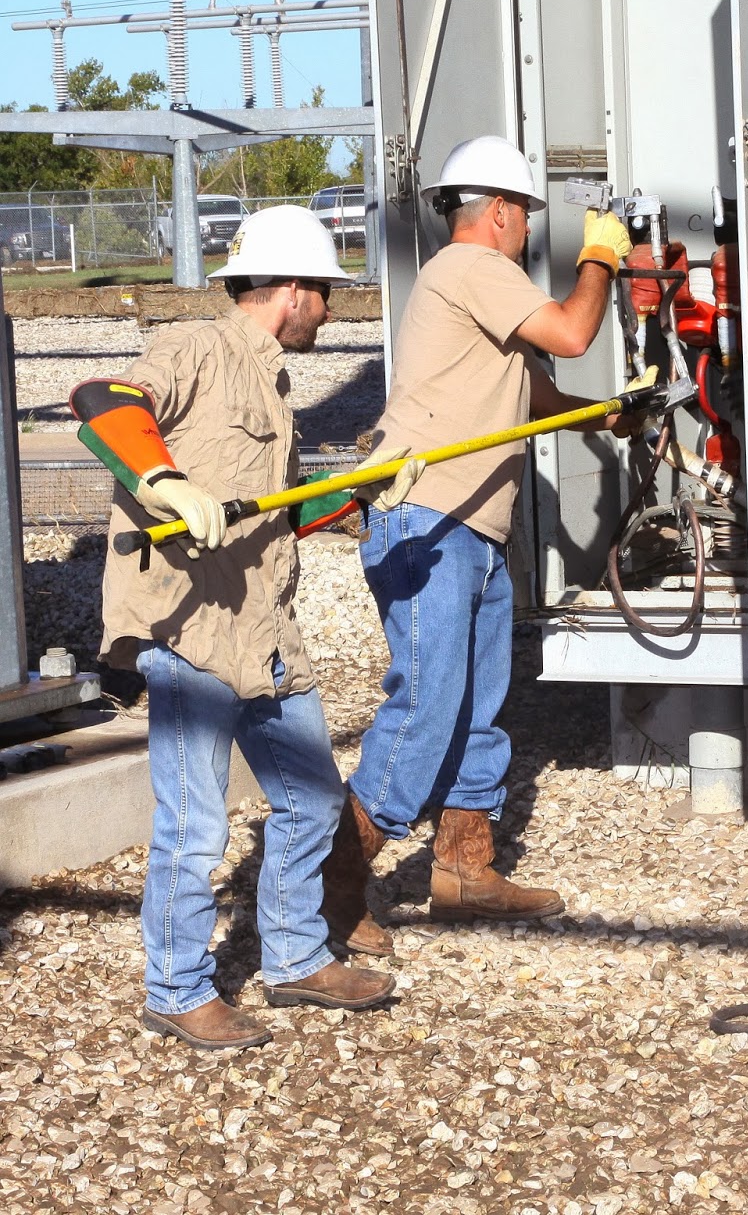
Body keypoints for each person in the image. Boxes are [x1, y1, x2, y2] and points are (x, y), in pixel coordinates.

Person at [70, 205, 423, 1050]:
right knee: (195, 825)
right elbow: (100, 398)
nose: (330, 313)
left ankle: (297, 955)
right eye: (325, 295)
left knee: (311, 799)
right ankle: (177, 988)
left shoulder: (274, 386)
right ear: (291, 289)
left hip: (264, 631)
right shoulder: (197, 349)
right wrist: (159, 476)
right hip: (190, 632)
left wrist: (358, 494)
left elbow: (273, 521)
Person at [320, 136, 638, 957]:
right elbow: (572, 332)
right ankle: (331, 889)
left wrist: (609, 413)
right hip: (430, 519)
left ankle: (464, 867)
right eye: (526, 215)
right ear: (499, 210)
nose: (529, 229)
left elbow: (538, 389)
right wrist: (600, 256)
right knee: (426, 703)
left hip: (469, 523)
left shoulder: (472, 292)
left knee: (475, 703)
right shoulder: (472, 267)